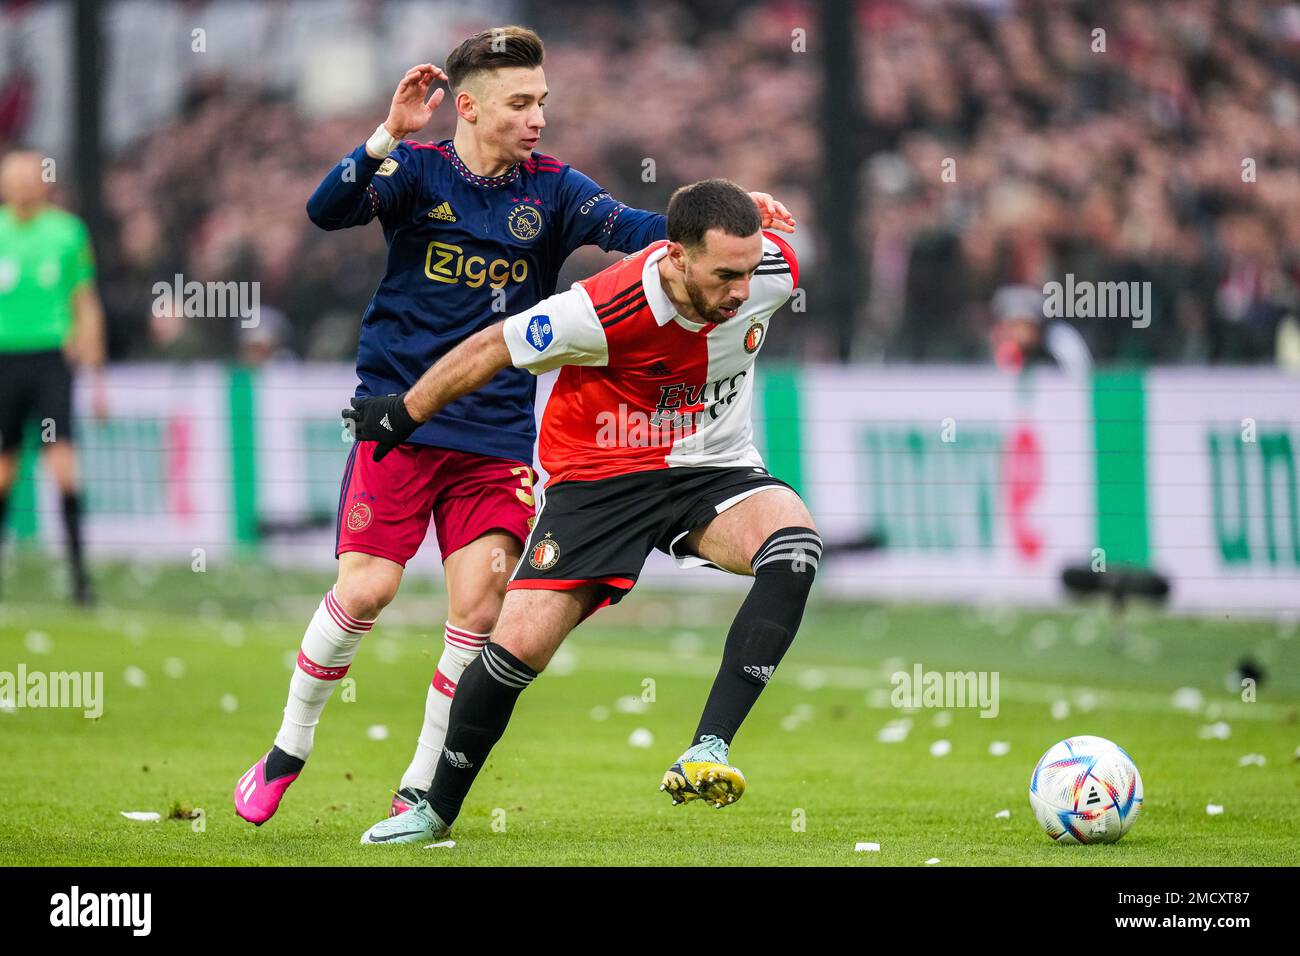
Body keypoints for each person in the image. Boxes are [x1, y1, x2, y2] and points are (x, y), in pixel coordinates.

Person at [233, 27, 794, 825]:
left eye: (543, 102)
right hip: (400, 416)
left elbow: (643, 232)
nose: (537, 118)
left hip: (494, 432)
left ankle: (420, 786)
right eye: (521, 103)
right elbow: (327, 211)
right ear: (468, 106)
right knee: (367, 588)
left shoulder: (555, 189)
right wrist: (389, 132)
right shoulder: (418, 171)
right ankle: (289, 747)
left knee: (479, 609)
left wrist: (726, 220)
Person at [345, 178, 819, 845]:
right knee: (516, 650)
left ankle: (708, 747)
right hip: (599, 481)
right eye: (724, 275)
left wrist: (745, 200)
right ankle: (432, 809)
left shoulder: (768, 268)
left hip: (712, 468)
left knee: (794, 549)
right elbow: (492, 347)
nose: (742, 289)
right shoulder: (602, 307)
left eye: (747, 271)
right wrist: (403, 412)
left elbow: (723, 219)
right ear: (677, 257)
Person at [0, 149, 107, 606]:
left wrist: (98, 376)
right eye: (13, 176)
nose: (21, 184)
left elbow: (85, 302)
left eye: (29, 176)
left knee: (62, 467)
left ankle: (80, 579)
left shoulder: (67, 232)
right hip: (4, 360)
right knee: (4, 470)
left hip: (50, 362)